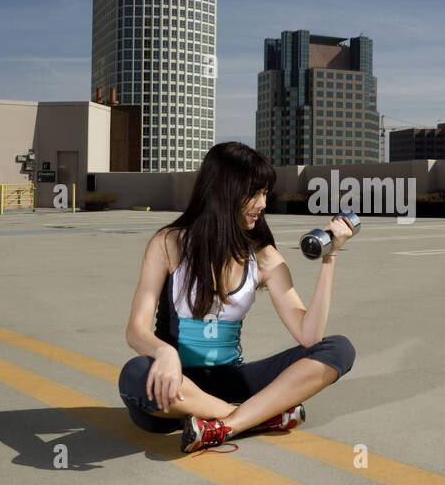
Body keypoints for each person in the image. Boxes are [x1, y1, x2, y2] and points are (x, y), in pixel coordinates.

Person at [118, 142, 355, 454]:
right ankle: (258, 417)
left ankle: (225, 425)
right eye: (254, 194)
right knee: (135, 375)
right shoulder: (169, 244)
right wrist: (164, 354)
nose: (262, 203)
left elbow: (310, 335)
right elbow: (136, 329)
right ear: (223, 192)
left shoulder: (264, 257)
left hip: (234, 382)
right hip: (177, 389)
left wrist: (330, 258)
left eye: (265, 194)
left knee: (338, 349)